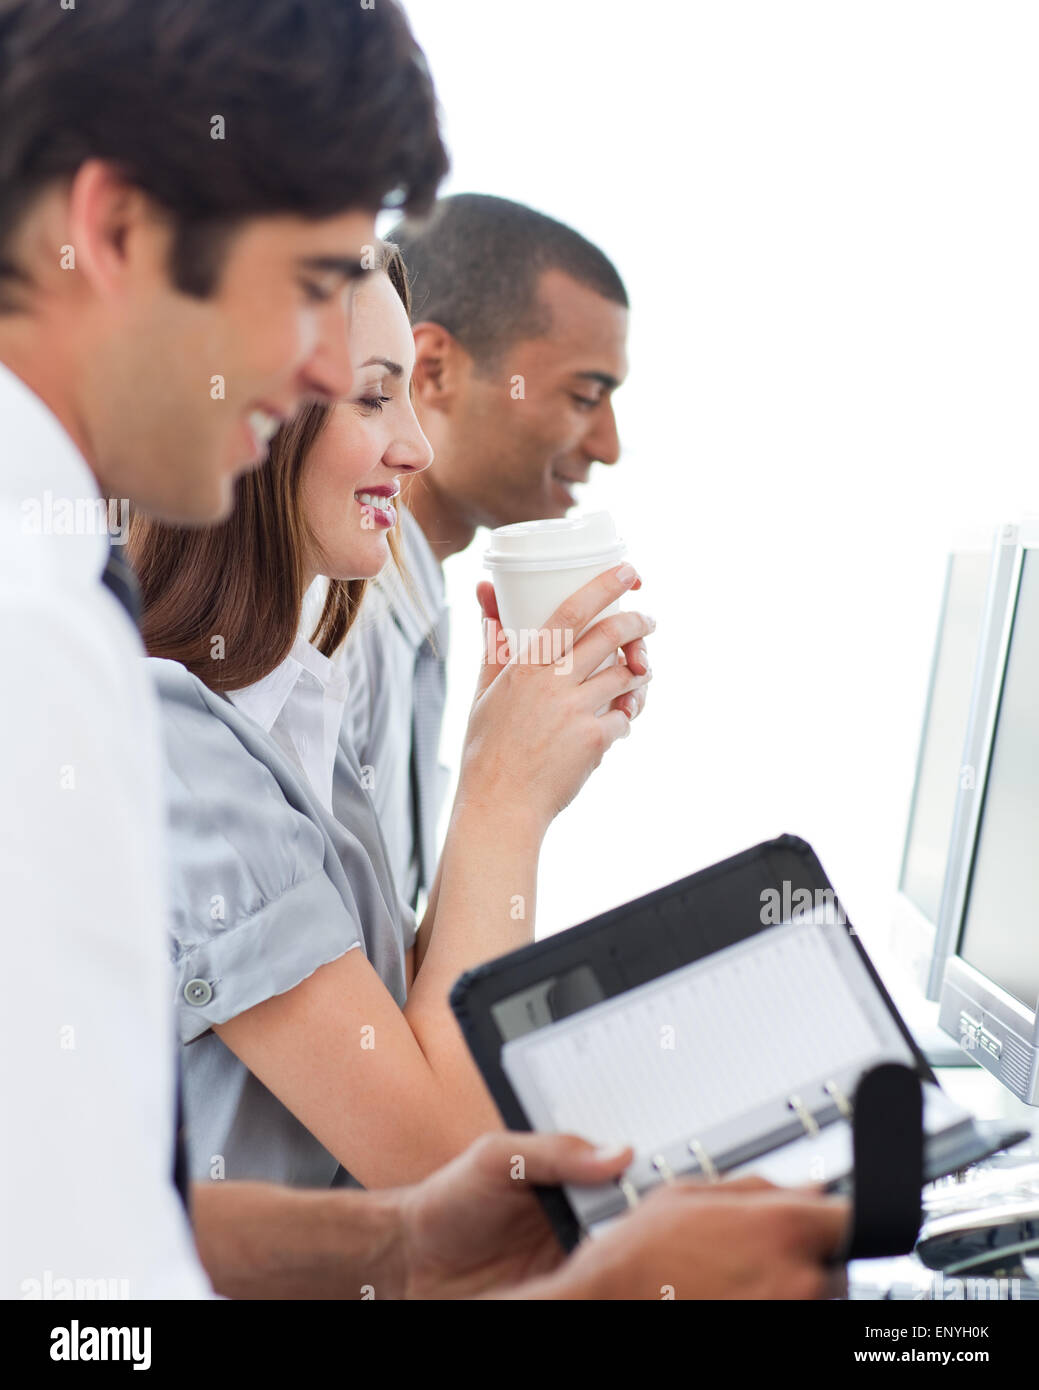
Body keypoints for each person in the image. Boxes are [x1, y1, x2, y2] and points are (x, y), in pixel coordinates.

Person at [0, 0, 848, 1301]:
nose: (311, 371)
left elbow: (82, 1225)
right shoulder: (42, 639)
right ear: (115, 231)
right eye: (302, 292)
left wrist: (399, 1246)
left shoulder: (68, 594)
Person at [130, 241, 653, 1191]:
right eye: (374, 397)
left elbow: (409, 1036)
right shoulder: (169, 746)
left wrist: (505, 752)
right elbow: (442, 1173)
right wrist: (504, 795)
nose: (415, 446)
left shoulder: (294, 717)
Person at [336, 194, 631, 911]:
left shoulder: (418, 601)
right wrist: (508, 790)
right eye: (585, 396)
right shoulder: (340, 621)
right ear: (433, 368)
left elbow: (383, 967)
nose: (608, 447)